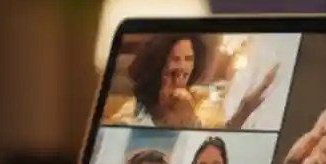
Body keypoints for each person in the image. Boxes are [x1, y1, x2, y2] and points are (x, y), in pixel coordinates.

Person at [108, 34, 279, 129]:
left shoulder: (203, 101)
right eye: (175, 59)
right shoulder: (132, 109)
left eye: (188, 58)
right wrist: (163, 114)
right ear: (159, 62)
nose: (183, 66)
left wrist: (244, 110)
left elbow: (214, 144)